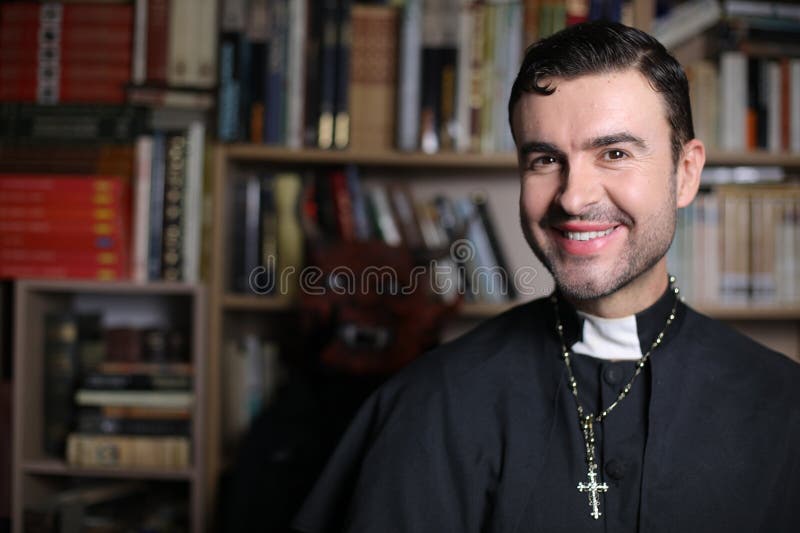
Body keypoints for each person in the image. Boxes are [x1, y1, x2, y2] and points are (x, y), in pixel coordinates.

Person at [292, 21, 800, 532]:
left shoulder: (784, 407)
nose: (573, 197)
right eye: (545, 159)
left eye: (615, 154)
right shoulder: (430, 402)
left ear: (685, 173)